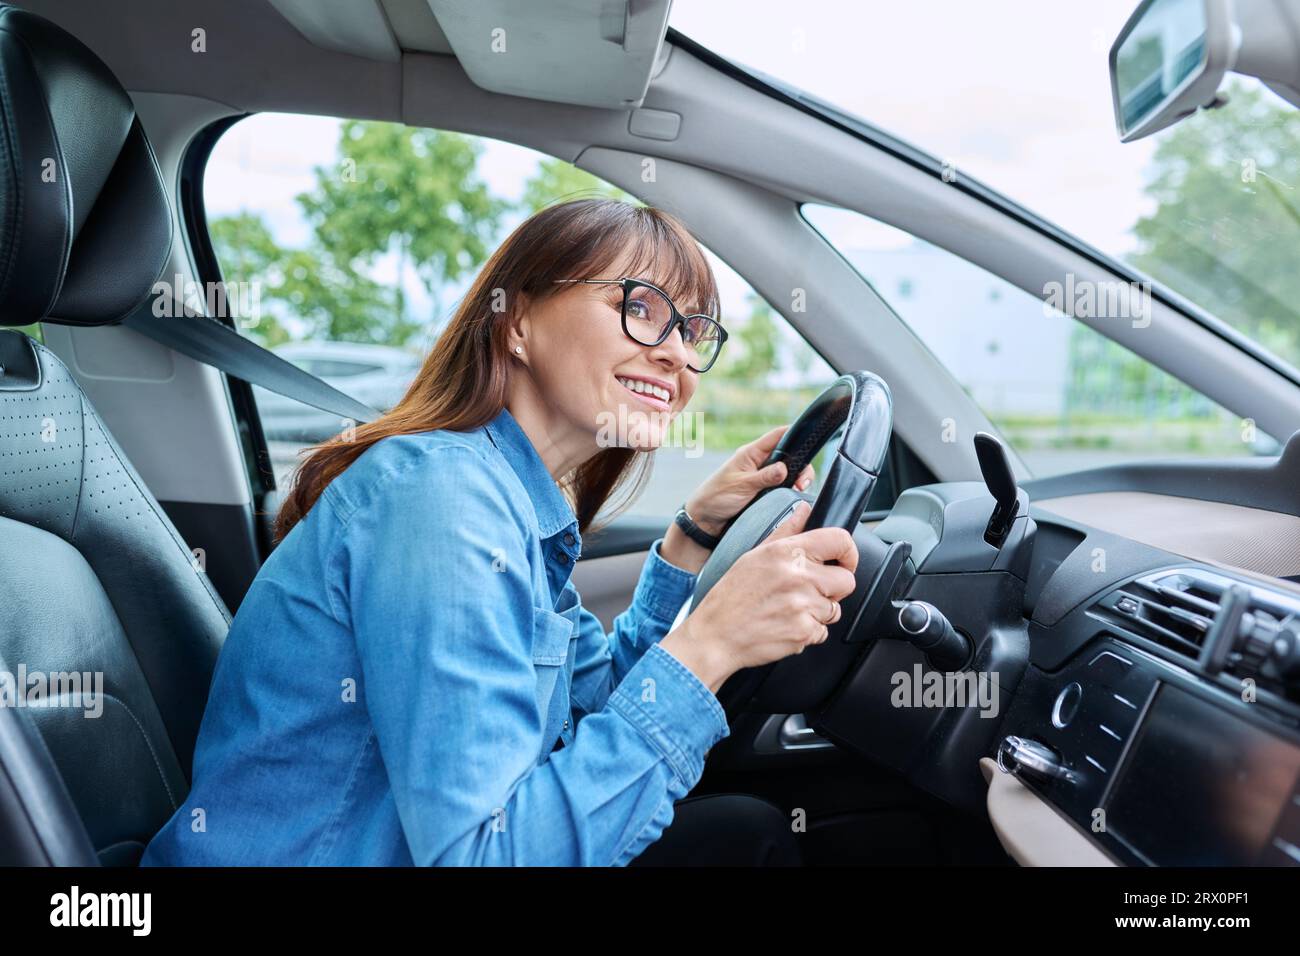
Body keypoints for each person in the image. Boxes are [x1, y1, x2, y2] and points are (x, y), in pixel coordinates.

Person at [140, 198, 858, 866]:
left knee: (747, 832)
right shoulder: (442, 501)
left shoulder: (510, 503)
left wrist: (691, 540)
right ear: (516, 322)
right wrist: (712, 645)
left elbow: (591, 706)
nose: (676, 354)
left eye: (694, 330)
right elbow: (480, 854)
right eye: (640, 308)